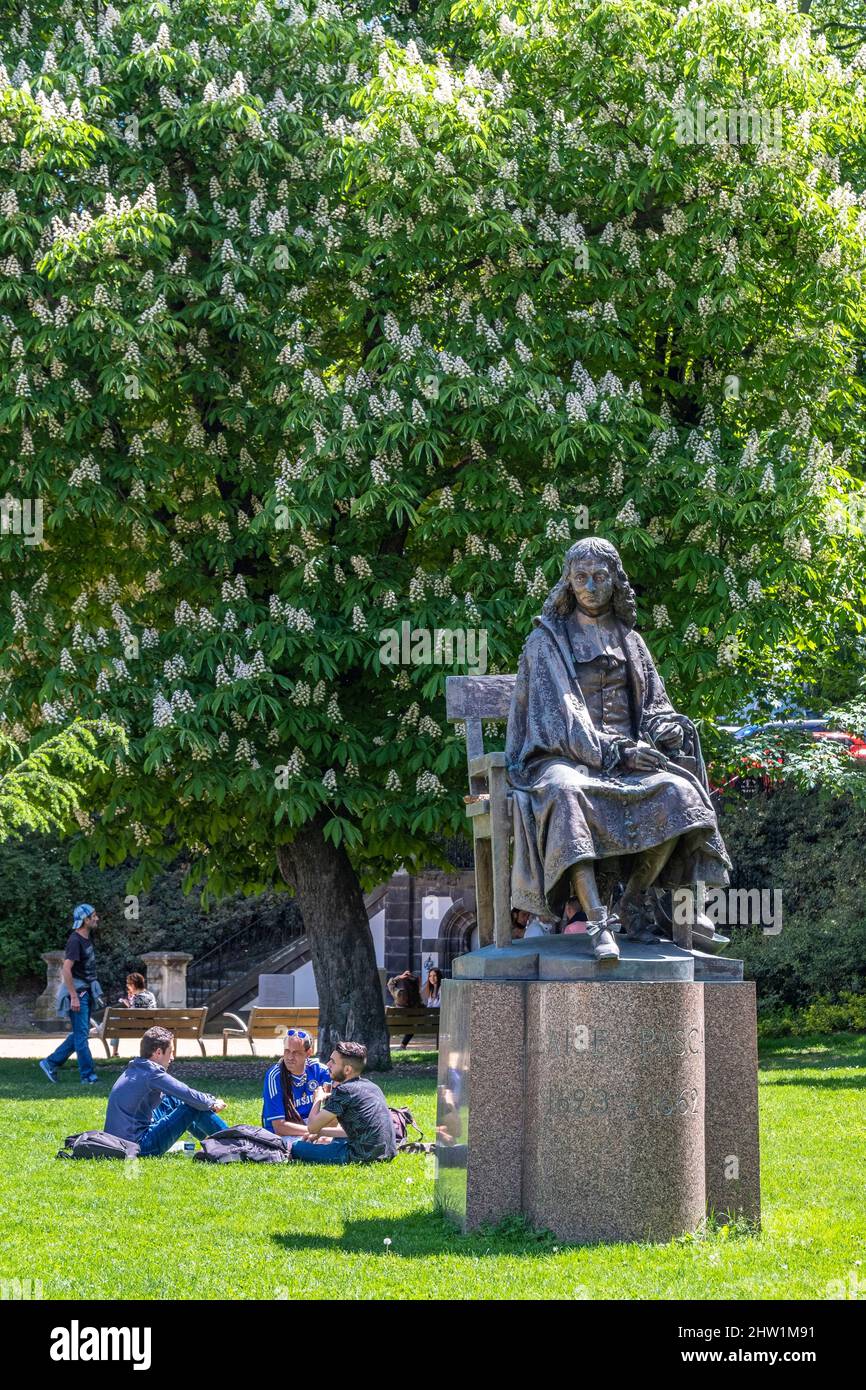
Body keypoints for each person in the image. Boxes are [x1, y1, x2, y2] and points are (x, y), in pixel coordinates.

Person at [506, 537, 731, 962]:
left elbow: (653, 707)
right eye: (580, 577)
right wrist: (619, 752)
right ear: (568, 584)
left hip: (626, 761)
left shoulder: (631, 641)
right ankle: (598, 919)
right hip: (562, 759)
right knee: (566, 793)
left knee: (678, 793)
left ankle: (635, 898)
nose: (590, 585)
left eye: (600, 576)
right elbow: (561, 721)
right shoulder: (546, 642)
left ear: (615, 581)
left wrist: (667, 730)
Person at [104, 1026, 229, 1157]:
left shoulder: (137, 1067)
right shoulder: (152, 1073)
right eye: (171, 1052)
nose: (173, 1057)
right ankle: (235, 1141)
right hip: (138, 1146)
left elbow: (181, 1094)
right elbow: (188, 1094)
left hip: (118, 1143)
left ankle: (208, 1139)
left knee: (173, 1099)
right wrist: (212, 1103)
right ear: (158, 1052)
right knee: (192, 1106)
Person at [291, 1040, 397, 1165]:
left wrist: (318, 1099)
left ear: (347, 1069)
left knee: (297, 1147)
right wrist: (321, 1132)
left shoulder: (344, 1091)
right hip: (387, 1153)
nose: (328, 1064)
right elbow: (352, 1131)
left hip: (359, 1156)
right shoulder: (372, 1086)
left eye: (333, 1062)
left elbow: (312, 1127)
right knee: (332, 1140)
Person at [40, 904, 103, 1086]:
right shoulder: (75, 941)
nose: (97, 918)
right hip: (79, 995)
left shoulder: (86, 939)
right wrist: (74, 996)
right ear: (86, 920)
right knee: (81, 1036)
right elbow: (66, 970)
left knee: (79, 1034)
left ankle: (50, 1062)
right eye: (94, 915)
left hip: (86, 992)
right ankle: (88, 1076)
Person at [261, 1028, 345, 1146]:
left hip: (312, 1126)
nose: (290, 1057)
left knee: (336, 1113)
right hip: (283, 1133)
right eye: (287, 1051)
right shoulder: (275, 1076)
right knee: (325, 1143)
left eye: (296, 1052)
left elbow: (342, 1103)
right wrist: (317, 1131)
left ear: (309, 1053)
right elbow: (279, 1126)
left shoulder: (319, 1070)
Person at [109, 973, 158, 1058]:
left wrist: (128, 1004)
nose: (127, 986)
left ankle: (115, 1052)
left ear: (133, 985)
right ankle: (100, 1027)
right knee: (114, 1020)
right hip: (149, 1026)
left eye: (128, 984)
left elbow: (134, 1016)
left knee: (114, 1021)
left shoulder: (138, 998)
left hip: (139, 1027)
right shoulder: (150, 994)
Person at [387, 969, 422, 1048]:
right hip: (410, 1026)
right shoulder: (417, 998)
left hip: (396, 1025)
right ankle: (403, 1046)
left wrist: (400, 977)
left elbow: (390, 984)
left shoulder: (399, 994)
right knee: (412, 1024)